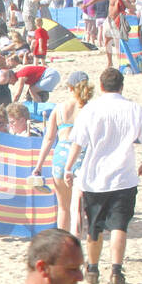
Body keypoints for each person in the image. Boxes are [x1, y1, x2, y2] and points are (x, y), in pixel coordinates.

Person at [66, 68, 142, 284]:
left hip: (94, 177)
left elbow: (77, 143)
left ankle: (93, 268)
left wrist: (68, 167)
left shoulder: (91, 109)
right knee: (119, 225)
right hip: (123, 176)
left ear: (102, 86)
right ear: (121, 86)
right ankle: (116, 271)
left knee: (94, 225)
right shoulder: (133, 108)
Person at [35, 71, 93, 233]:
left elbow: (48, 139)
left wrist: (39, 165)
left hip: (61, 156)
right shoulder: (89, 109)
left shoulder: (59, 109)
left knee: (63, 208)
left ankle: (63, 244)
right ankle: (76, 242)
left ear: (69, 87)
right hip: (82, 155)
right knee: (79, 208)